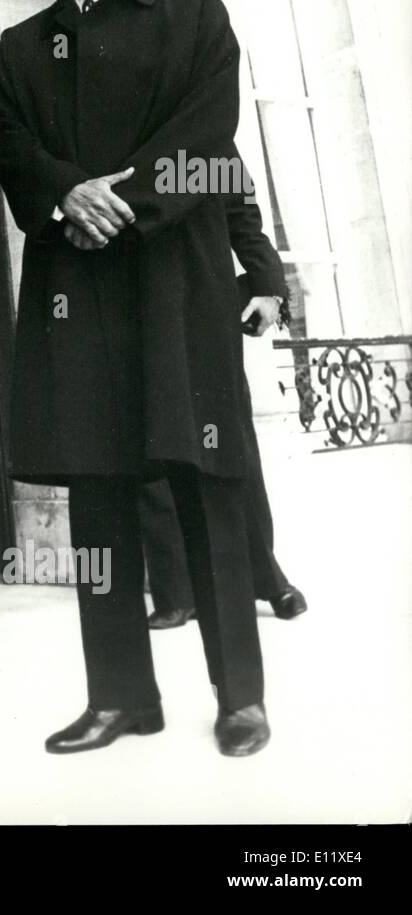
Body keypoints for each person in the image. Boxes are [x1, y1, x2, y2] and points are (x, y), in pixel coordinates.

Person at [0, 0, 270, 757]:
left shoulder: (193, 11)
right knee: (98, 500)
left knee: (205, 487)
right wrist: (66, 192)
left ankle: (240, 697)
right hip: (79, 296)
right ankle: (118, 696)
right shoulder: (24, 44)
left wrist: (119, 198)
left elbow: (207, 129)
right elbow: (5, 140)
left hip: (176, 285)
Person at [144, 191, 307, 629]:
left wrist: (268, 285)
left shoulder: (205, 126)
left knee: (229, 439)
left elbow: (241, 209)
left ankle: (265, 577)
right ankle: (176, 590)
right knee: (153, 441)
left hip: (205, 295)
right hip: (135, 298)